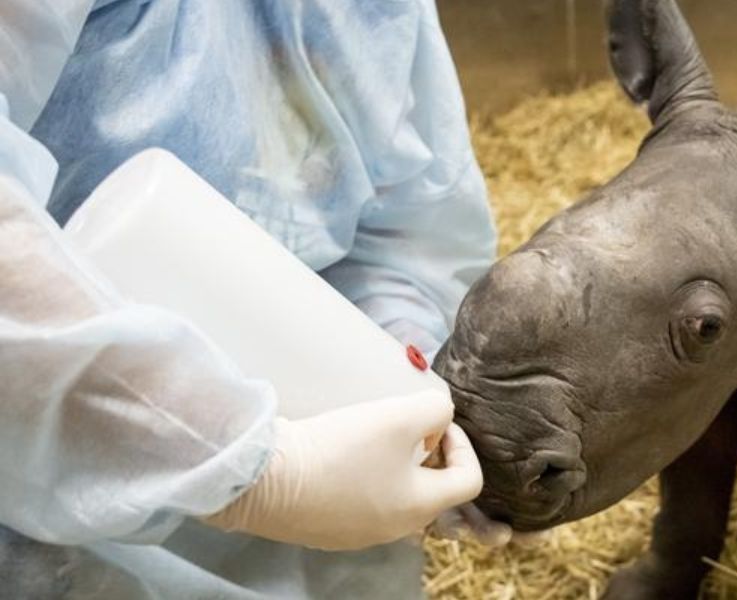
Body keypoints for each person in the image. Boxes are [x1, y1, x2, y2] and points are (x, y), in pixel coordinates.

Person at [0, 1, 507, 597]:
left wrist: (397, 368)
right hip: (46, 509)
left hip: (325, 543)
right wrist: (262, 472)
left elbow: (407, 221)